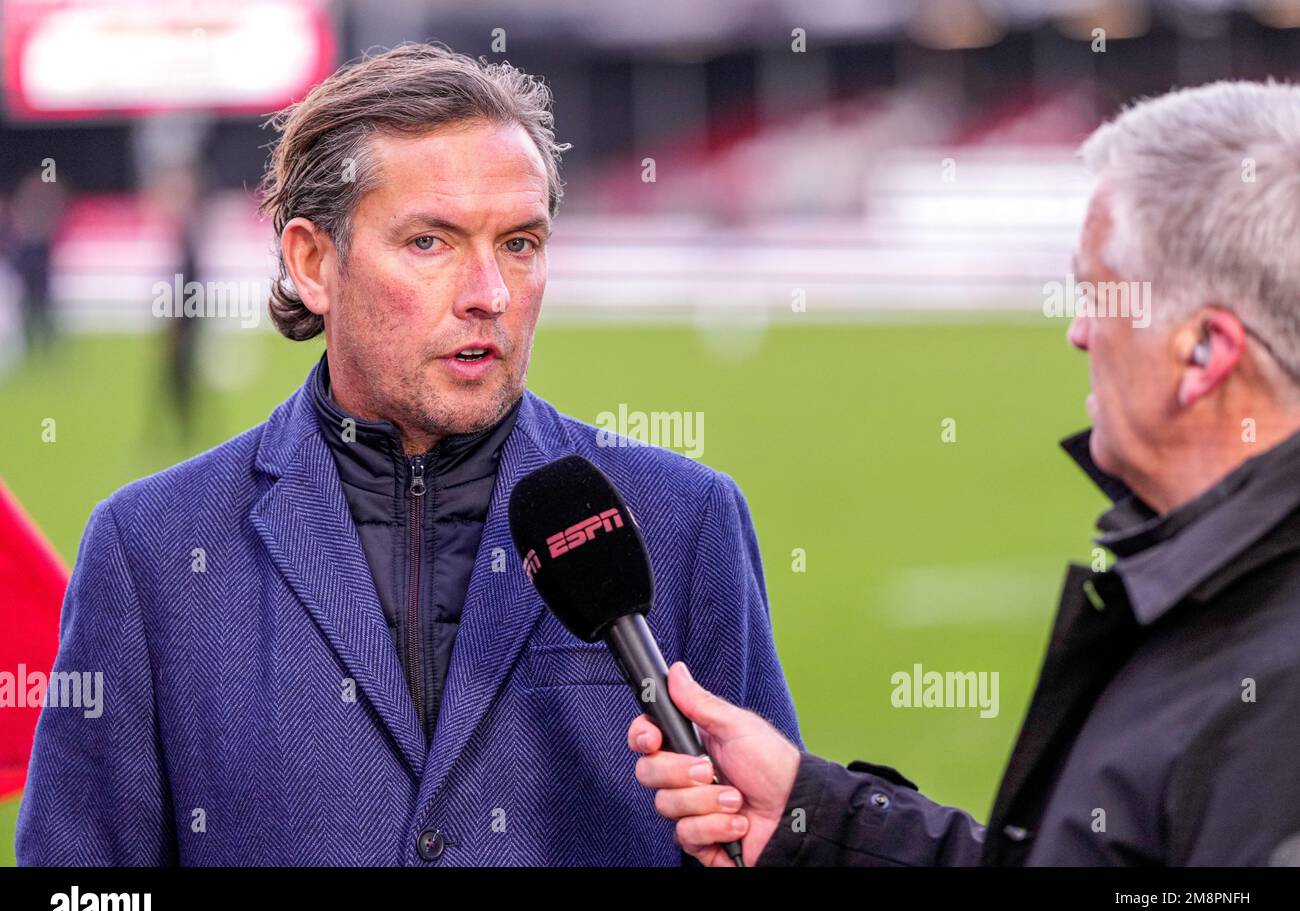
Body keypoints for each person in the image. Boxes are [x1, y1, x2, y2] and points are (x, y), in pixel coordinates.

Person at [16, 43, 800, 866]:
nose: (488, 294)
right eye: (432, 242)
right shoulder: (152, 548)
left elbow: (773, 835)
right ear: (312, 262)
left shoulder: (683, 519)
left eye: (520, 244)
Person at [629, 80, 1300, 867]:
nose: (1079, 333)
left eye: (1099, 295)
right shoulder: (1219, 594)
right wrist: (820, 822)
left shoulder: (1273, 684)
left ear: (1203, 355)